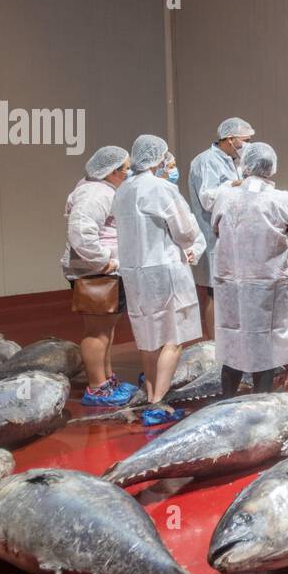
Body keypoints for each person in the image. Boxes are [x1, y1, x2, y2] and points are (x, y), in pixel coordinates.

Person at [113, 135, 206, 425]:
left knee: (148, 337)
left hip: (134, 272)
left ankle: (152, 393)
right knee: (173, 338)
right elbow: (185, 230)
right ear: (158, 158)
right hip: (163, 270)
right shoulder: (160, 188)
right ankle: (158, 402)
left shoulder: (123, 189)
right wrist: (192, 245)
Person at [211, 142, 288, 398]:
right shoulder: (284, 200)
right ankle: (261, 405)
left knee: (234, 343)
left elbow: (216, 228)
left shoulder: (226, 196)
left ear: (245, 165)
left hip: (231, 283)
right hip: (268, 286)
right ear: (272, 167)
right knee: (266, 346)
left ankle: (226, 400)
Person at [61, 145, 136, 406]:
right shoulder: (94, 194)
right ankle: (96, 387)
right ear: (112, 171)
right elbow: (81, 234)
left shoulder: (105, 190)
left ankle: (107, 378)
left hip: (108, 270)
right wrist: (104, 262)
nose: (129, 173)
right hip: (96, 272)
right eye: (126, 169)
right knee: (96, 331)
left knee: (107, 328)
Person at [189, 118, 252, 339]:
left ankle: (229, 341)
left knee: (229, 292)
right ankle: (214, 344)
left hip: (231, 235)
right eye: (245, 141)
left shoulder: (232, 161)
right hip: (213, 235)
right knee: (215, 291)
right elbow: (208, 199)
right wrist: (233, 186)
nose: (248, 145)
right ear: (230, 138)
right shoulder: (206, 161)